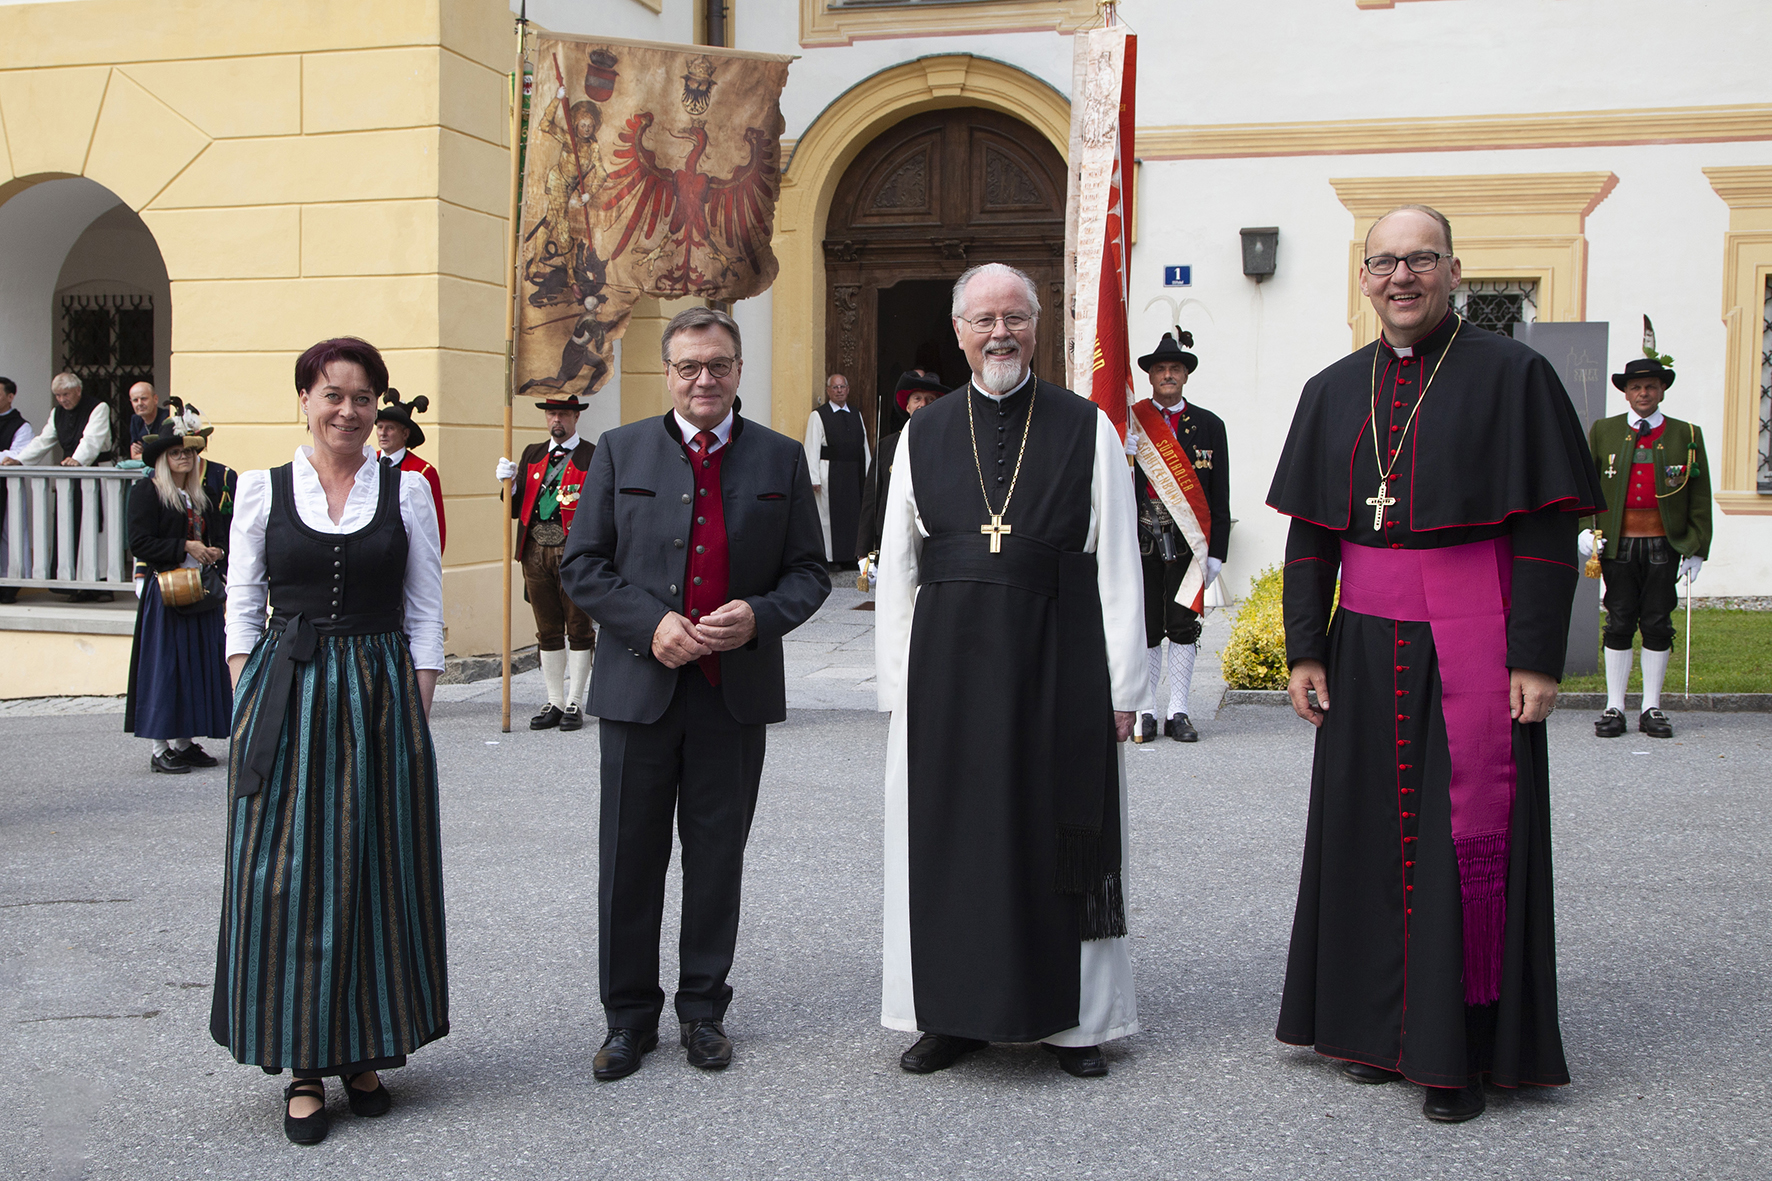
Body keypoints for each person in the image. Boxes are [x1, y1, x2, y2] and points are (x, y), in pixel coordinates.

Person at [1267, 205, 1604, 1123]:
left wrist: (1536, 656)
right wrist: (1305, 645)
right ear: (1364, 277)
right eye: (1384, 263)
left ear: (1456, 270)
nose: (1401, 277)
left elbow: (1544, 528)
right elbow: (1312, 533)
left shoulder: (1514, 375)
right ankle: (1377, 1032)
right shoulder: (1334, 387)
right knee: (1367, 834)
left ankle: (1459, 1050)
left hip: (1474, 640)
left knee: (1467, 844)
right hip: (1365, 644)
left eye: (1421, 260)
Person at [874, 262, 1146, 1079]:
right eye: (983, 318)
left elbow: (1120, 566)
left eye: (1016, 317)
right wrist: (898, 687)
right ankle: (948, 1013)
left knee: (1059, 834)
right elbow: (898, 568)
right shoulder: (921, 433)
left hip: (1059, 661)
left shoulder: (1086, 427)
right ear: (958, 330)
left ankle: (1077, 1022)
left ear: (1038, 326)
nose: (1000, 332)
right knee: (952, 841)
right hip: (947, 672)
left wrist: (1125, 687)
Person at [560, 307, 829, 1081]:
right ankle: (628, 1019)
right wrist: (650, 625)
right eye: (688, 367)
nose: (703, 379)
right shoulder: (619, 449)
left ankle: (703, 1009)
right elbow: (583, 565)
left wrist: (761, 616)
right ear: (667, 372)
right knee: (630, 858)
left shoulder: (778, 459)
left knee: (717, 858)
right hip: (641, 691)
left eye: (718, 365)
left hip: (731, 694)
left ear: (738, 370)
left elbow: (810, 572)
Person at [212, 337, 447, 1146]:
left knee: (376, 866)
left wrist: (413, 715)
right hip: (291, 683)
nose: (347, 409)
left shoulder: (407, 491)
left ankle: (365, 1049)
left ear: (377, 406)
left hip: (382, 690)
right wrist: (250, 697)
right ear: (305, 400)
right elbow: (242, 605)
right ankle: (305, 1061)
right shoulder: (259, 489)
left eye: (362, 396)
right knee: (291, 873)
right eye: (331, 393)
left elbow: (424, 614)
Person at [1580, 354, 1711, 739]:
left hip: (1663, 544)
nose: (1643, 393)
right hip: (1618, 543)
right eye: (1636, 387)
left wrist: (1698, 546)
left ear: (1663, 390)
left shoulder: (1686, 434)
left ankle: (1652, 706)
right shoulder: (1604, 431)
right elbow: (1587, 488)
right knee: (1619, 620)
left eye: (1651, 386)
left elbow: (1699, 495)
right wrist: (1584, 530)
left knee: (1657, 621)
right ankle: (1614, 706)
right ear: (1625, 393)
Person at [1130, 331, 1230, 743]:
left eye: (1174, 369)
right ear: (1150, 377)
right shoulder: (1131, 423)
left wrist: (1217, 553)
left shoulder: (1209, 425)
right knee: (1148, 627)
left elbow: (1219, 492)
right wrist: (1124, 454)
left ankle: (1179, 711)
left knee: (1182, 626)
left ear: (1185, 376)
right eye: (1160, 370)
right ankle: (1148, 710)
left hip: (1190, 544)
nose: (1167, 375)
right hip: (1140, 539)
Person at [124, 409, 231, 773]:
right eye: (176, 453)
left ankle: (184, 742)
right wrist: (185, 547)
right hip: (167, 590)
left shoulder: (199, 495)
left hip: (199, 588)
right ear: (162, 458)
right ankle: (159, 747)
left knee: (196, 664)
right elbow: (140, 543)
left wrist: (215, 550)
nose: (184, 458)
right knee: (166, 667)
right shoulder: (148, 491)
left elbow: (215, 537)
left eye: (188, 452)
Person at [495, 393, 598, 730]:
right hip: (534, 550)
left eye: (564, 415)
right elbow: (515, 509)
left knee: (579, 626)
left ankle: (575, 702)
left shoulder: (592, 455)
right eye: (552, 414)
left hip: (573, 550)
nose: (557, 421)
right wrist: (508, 486)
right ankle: (554, 699)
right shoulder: (532, 454)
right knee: (548, 629)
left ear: (576, 418)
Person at [3, 373, 116, 601]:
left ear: (78, 391)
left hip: (95, 473)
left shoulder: (98, 408)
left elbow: (92, 439)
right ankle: (75, 586)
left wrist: (78, 459)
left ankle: (101, 587)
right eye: (58, 395)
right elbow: (44, 440)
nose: (62, 400)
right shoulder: (57, 413)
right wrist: (20, 459)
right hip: (70, 476)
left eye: (66, 394)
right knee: (71, 529)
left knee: (95, 531)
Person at [855, 372, 948, 562]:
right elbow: (872, 499)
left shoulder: (949, 443)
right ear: (907, 406)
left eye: (930, 399)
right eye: (917, 399)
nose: (923, 404)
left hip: (936, 540)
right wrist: (864, 549)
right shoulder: (886, 446)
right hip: (892, 537)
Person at [802, 372, 869, 569]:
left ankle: (851, 556)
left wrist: (868, 473)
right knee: (828, 519)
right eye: (835, 387)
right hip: (829, 473)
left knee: (853, 516)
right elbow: (811, 445)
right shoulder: (818, 415)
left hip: (853, 474)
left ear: (847, 390)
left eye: (842, 387)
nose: (839, 390)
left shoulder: (856, 414)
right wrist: (813, 476)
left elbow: (863, 445)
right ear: (828, 391)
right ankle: (831, 559)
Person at [375, 388, 447, 551]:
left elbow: (435, 525)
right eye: (380, 427)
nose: (383, 433)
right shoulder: (367, 462)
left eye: (390, 428)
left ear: (405, 433)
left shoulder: (423, 471)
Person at [0, 376, 32, 603]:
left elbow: (17, 455)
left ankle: (9, 584)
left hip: (8, 489)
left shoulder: (21, 426)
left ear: (10, 397)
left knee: (9, 537)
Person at [126, 381, 169, 460]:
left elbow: (166, 455)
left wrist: (145, 453)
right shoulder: (135, 420)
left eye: (144, 399)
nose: (139, 403)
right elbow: (134, 456)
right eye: (135, 400)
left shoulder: (167, 418)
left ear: (155, 399)